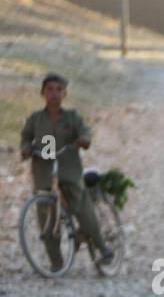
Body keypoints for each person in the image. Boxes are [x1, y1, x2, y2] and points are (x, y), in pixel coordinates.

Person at [19, 73, 113, 268]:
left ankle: (103, 248)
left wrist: (84, 140)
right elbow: (26, 136)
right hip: (44, 172)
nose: (54, 93)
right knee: (46, 217)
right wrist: (26, 147)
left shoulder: (72, 117)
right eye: (50, 89)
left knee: (83, 209)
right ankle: (56, 262)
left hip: (69, 170)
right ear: (42, 92)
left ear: (65, 94)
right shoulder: (35, 120)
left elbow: (85, 132)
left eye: (59, 89)